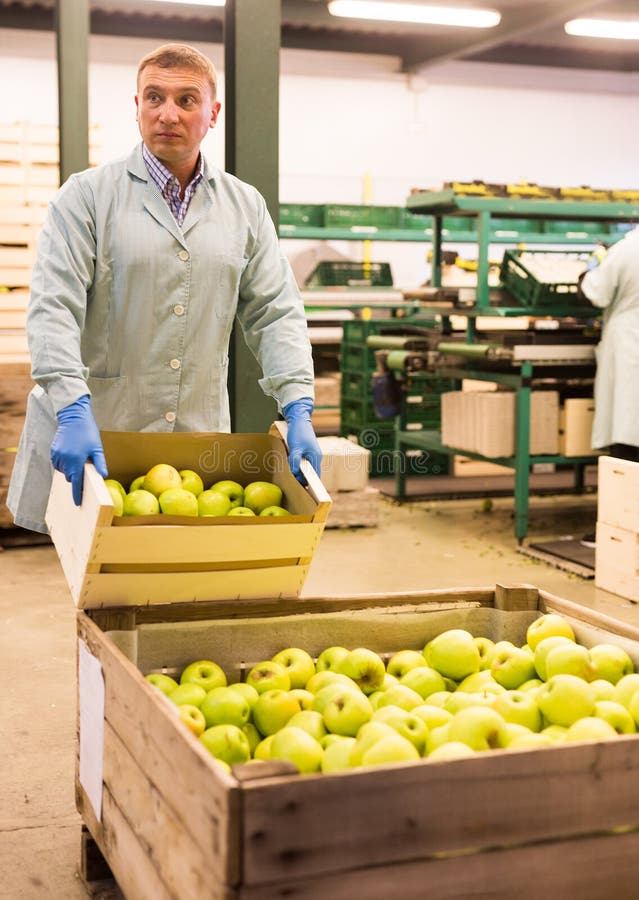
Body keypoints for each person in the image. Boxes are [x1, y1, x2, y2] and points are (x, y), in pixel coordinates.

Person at [8, 43, 321, 534]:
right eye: (153, 97)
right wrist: (70, 405)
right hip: (96, 432)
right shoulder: (86, 198)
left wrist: (297, 401)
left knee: (179, 584)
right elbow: (53, 308)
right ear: (136, 107)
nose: (167, 114)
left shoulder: (244, 206)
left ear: (212, 113)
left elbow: (275, 311)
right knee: (99, 583)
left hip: (194, 444)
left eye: (186, 100)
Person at [578, 226, 639, 546]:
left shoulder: (627, 250)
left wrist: (590, 270)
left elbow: (595, 294)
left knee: (626, 443)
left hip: (630, 348)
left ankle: (618, 528)